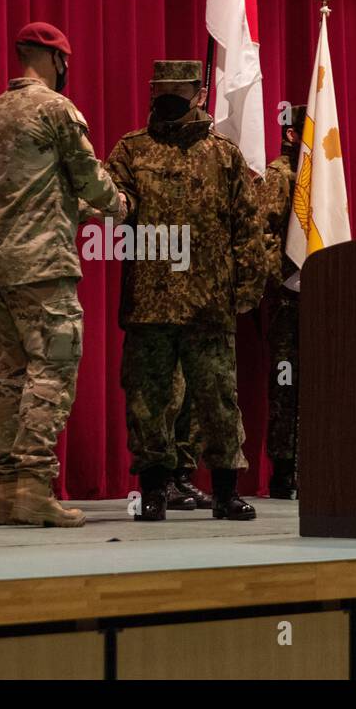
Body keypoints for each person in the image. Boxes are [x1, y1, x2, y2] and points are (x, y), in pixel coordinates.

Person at [0, 22, 126, 528]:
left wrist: (74, 206)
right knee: (53, 370)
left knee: (10, 380)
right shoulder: (56, 109)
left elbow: (30, 186)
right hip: (44, 264)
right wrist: (117, 203)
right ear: (58, 61)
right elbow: (86, 174)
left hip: (0, 265)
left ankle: (8, 491)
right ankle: (35, 489)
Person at [107, 59, 268, 521]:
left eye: (180, 91)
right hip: (149, 304)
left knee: (218, 399)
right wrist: (106, 205)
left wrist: (247, 289)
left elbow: (247, 228)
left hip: (208, 302)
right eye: (162, 91)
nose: (170, 99)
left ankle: (224, 491)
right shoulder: (131, 150)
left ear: (200, 95)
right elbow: (114, 200)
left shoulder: (224, 154)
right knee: (147, 402)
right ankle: (154, 490)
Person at [258, 111, 301, 498]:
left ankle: (311, 461)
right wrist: (281, 280)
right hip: (287, 299)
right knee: (286, 383)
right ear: (292, 133)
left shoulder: (321, 181)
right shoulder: (279, 175)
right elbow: (264, 232)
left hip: (316, 299)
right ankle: (283, 471)